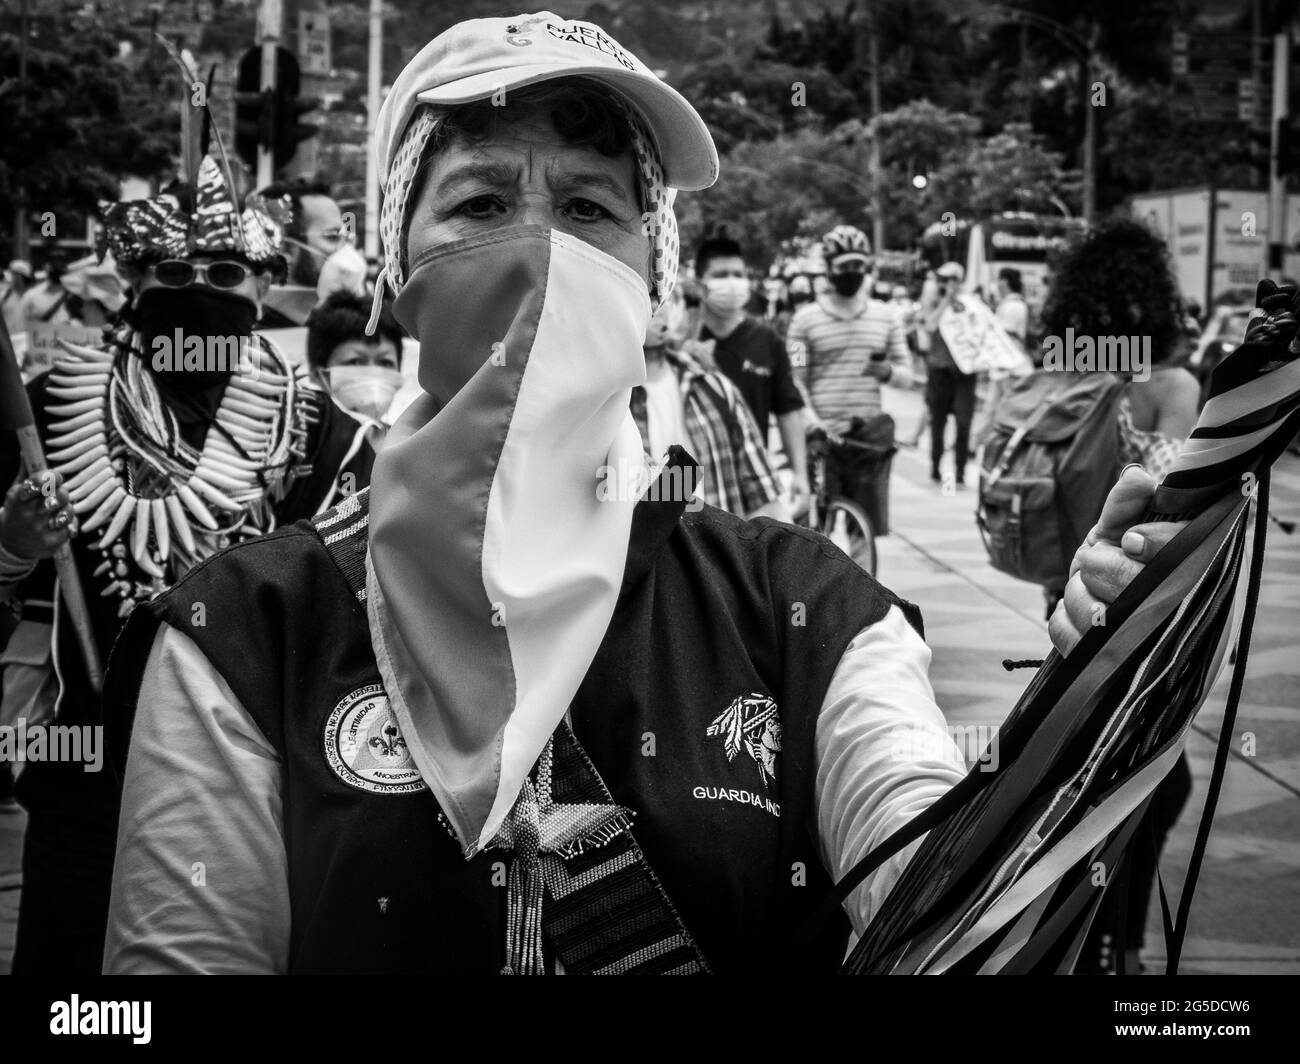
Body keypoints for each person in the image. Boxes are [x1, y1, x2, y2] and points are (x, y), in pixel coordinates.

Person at [101, 11, 1179, 975]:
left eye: (588, 206)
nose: (543, 250)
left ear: (649, 280)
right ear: (393, 274)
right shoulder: (243, 636)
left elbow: (951, 903)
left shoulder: (799, 611)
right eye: (480, 200)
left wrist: (1090, 698)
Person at [0, 154, 376, 976]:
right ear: (133, 282)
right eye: (172, 270)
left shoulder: (321, 433)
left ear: (262, 287)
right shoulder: (43, 409)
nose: (197, 286)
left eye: (224, 270)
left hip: (252, 774)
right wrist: (15, 548)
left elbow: (361, 611)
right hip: (88, 765)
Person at [1035, 216, 1201, 975]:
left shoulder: (1061, 374)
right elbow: (1173, 506)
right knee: (1154, 774)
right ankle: (1117, 945)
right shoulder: (1168, 385)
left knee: (1084, 764)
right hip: (1135, 605)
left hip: (1061, 591)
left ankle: (1074, 926)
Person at [786, 225, 911, 533]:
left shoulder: (886, 317)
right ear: (828, 270)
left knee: (864, 530)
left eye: (858, 266)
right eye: (844, 266)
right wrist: (812, 421)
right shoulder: (804, 321)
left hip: (866, 440)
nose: (852, 272)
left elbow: (907, 377)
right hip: (822, 439)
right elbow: (796, 380)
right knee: (815, 531)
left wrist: (888, 373)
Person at [635, 289, 787, 519]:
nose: (657, 308)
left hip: (718, 550)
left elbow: (763, 497)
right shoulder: (603, 407)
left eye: (662, 296)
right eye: (646, 294)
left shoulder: (714, 388)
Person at [693, 233, 809, 515]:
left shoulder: (767, 340)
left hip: (751, 485)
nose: (732, 282)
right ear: (700, 285)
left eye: (738, 274)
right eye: (721, 275)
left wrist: (800, 475)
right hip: (690, 485)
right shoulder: (682, 341)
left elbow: (788, 410)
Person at [306, 291, 407, 438]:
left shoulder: (412, 451)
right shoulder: (296, 451)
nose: (374, 374)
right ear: (318, 375)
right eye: (356, 361)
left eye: (385, 362)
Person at [920, 261, 977, 487]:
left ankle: (960, 471)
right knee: (938, 423)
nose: (946, 283)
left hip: (964, 373)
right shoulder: (933, 301)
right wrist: (945, 300)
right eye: (943, 279)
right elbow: (930, 326)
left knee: (964, 423)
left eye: (951, 279)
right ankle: (935, 467)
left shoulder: (971, 304)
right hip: (939, 371)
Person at [18, 255, 70, 330]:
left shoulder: (76, 295)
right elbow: (22, 323)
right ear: (46, 267)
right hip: (39, 340)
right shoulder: (31, 295)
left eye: (61, 264)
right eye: (54, 264)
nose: (57, 267)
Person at [1, 259, 33, 337]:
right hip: (9, 344)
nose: (10, 277)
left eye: (13, 273)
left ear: (20, 276)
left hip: (28, 343)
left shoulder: (33, 295)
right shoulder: (3, 295)